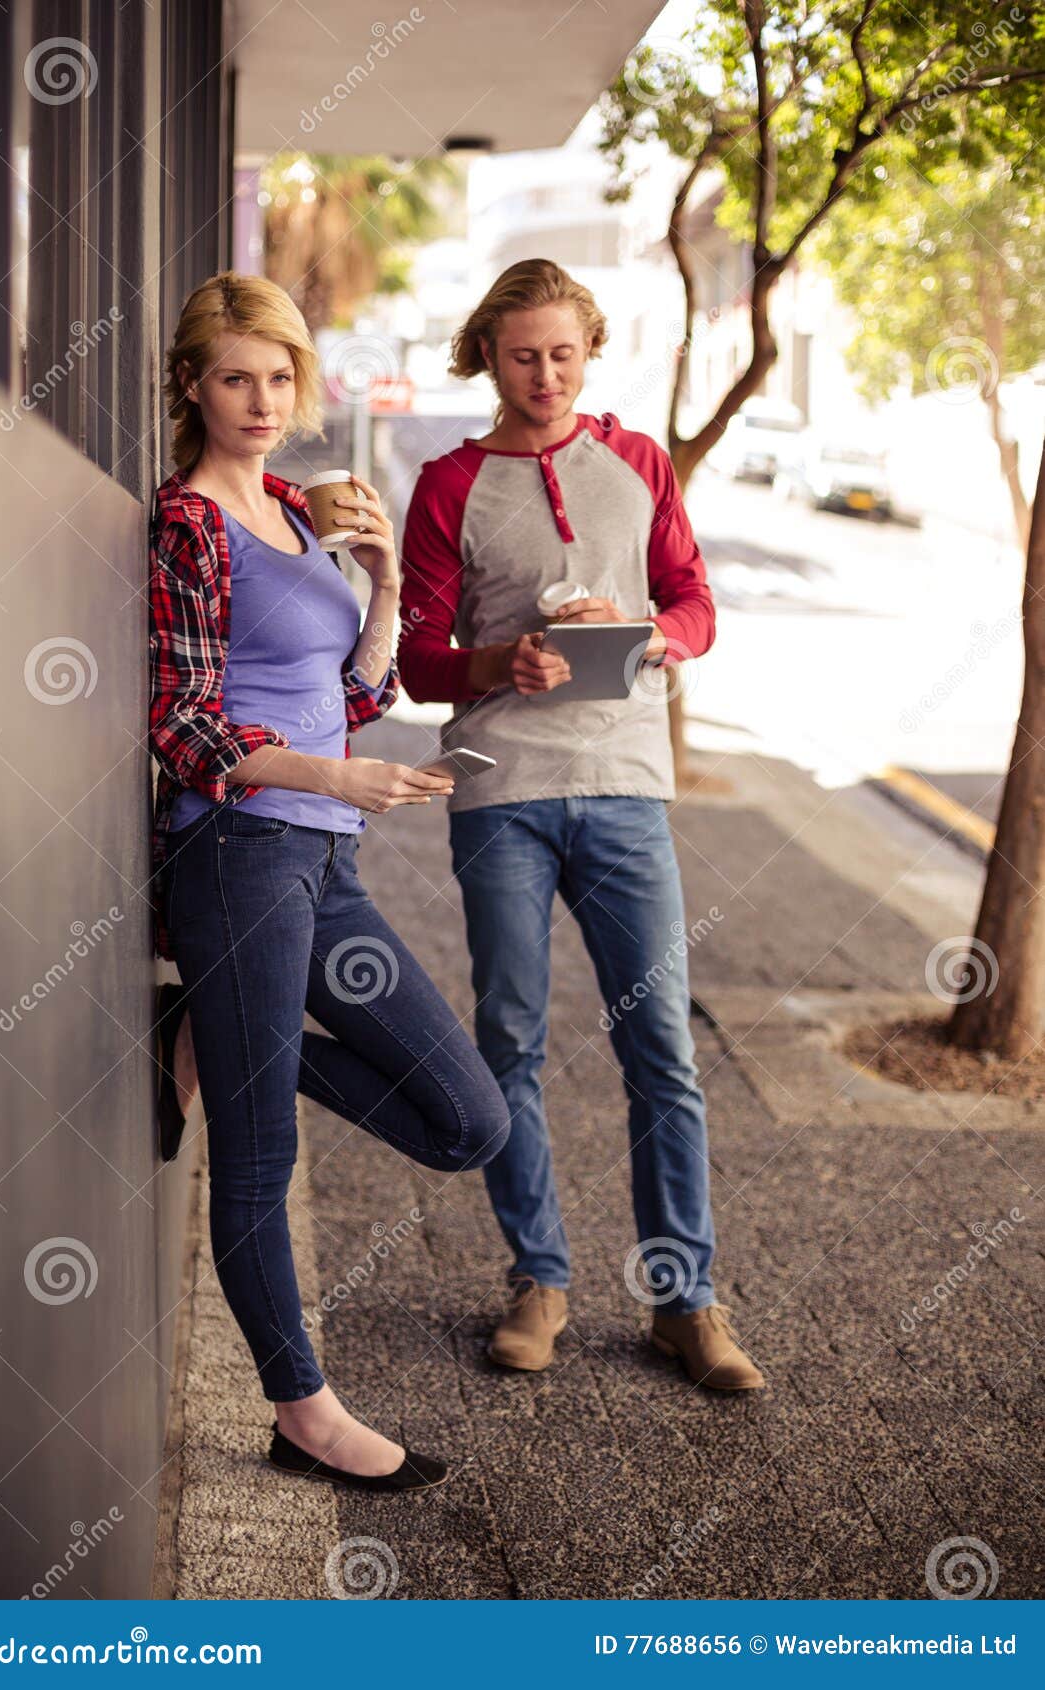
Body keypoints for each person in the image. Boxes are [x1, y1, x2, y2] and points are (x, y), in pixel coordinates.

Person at [149, 270, 512, 1492]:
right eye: (235, 377)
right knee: (257, 1158)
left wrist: (387, 582)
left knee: (467, 1119)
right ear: (193, 385)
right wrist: (329, 779)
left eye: (278, 376)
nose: (260, 398)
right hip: (239, 847)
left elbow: (358, 694)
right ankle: (300, 1413)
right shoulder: (188, 522)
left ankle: (214, 1018)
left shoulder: (294, 512)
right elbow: (184, 724)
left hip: (324, 856)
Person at [397, 258, 764, 1392]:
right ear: (487, 355)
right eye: (521, 355)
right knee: (508, 1038)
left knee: (659, 1047)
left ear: (589, 349)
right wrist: (496, 658)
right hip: (501, 788)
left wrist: (653, 635)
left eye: (562, 352)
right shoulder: (449, 484)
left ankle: (684, 1300)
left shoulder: (638, 461)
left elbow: (695, 602)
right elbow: (412, 656)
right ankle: (537, 1279)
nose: (544, 374)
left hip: (623, 786)